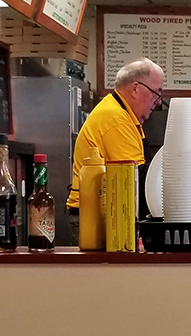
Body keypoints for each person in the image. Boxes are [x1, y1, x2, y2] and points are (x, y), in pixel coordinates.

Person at [66, 58, 164, 243]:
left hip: (103, 218)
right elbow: (134, 181)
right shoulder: (116, 118)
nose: (158, 102)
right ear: (135, 89)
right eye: (155, 93)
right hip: (93, 222)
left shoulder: (126, 116)